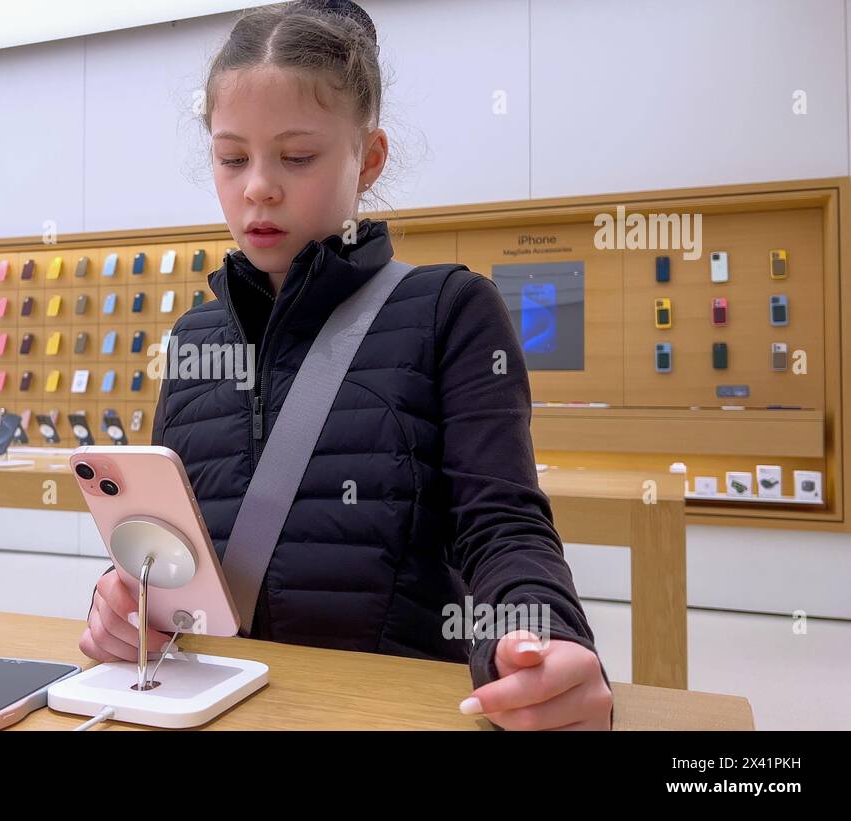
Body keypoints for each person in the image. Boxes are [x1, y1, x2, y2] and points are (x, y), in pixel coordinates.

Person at [79, 0, 613, 730]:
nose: (258, 186)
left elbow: (503, 526)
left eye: (296, 157)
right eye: (232, 157)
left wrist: (540, 641)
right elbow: (172, 551)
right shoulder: (195, 335)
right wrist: (124, 603)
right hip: (210, 710)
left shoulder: (450, 310)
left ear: (369, 158)